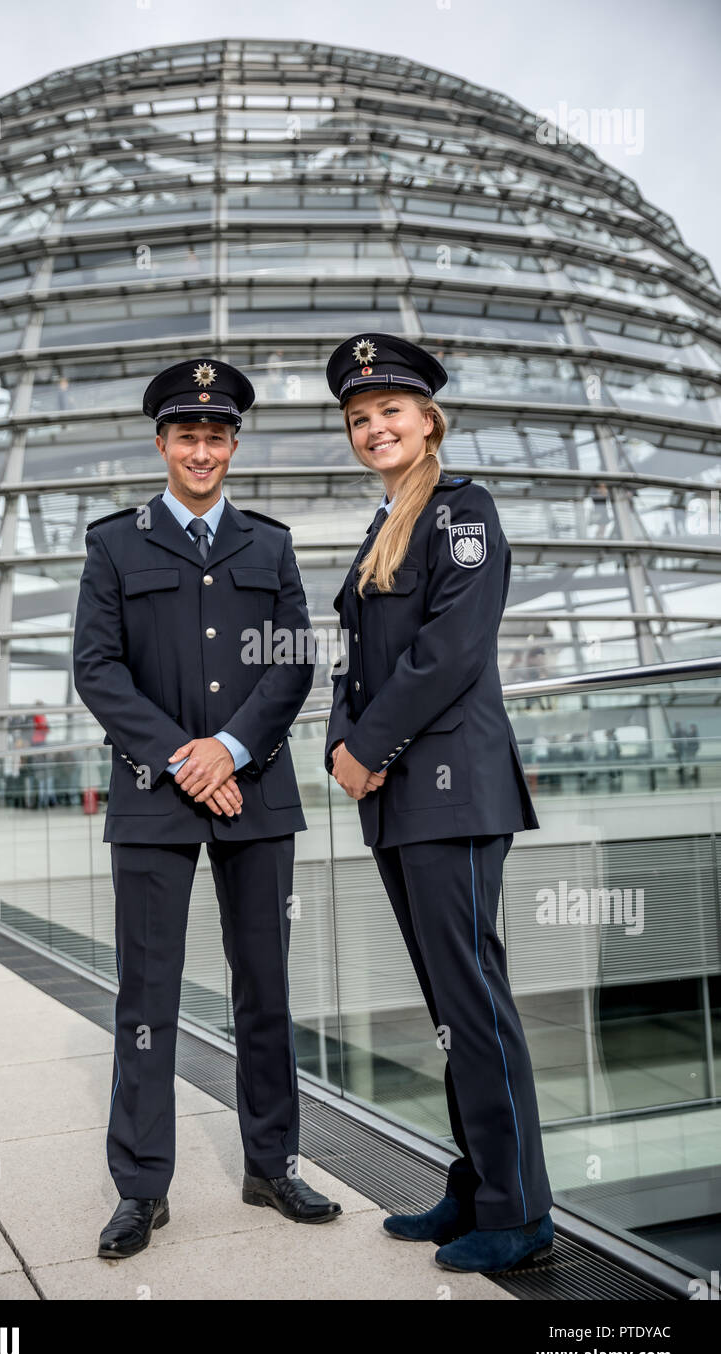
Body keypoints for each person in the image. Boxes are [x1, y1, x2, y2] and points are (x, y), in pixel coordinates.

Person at [73, 356, 340, 1261]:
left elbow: (290, 660)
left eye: (215, 435)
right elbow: (97, 669)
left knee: (264, 990)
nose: (201, 448)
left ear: (232, 444)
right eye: (185, 434)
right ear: (161, 444)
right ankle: (141, 1190)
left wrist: (227, 749)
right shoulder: (113, 543)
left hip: (255, 789)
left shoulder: (270, 544)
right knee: (145, 997)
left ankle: (272, 1164)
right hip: (154, 798)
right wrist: (183, 759)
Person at [323, 332, 553, 1275]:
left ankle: (520, 1214)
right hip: (396, 795)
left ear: (427, 420)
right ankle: (476, 1183)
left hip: (451, 791)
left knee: (474, 999)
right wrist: (339, 742)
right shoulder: (384, 527)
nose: (374, 427)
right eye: (358, 418)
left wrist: (367, 747)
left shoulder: (464, 512)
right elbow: (355, 659)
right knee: (447, 1005)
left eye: (390, 412)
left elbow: (451, 652)